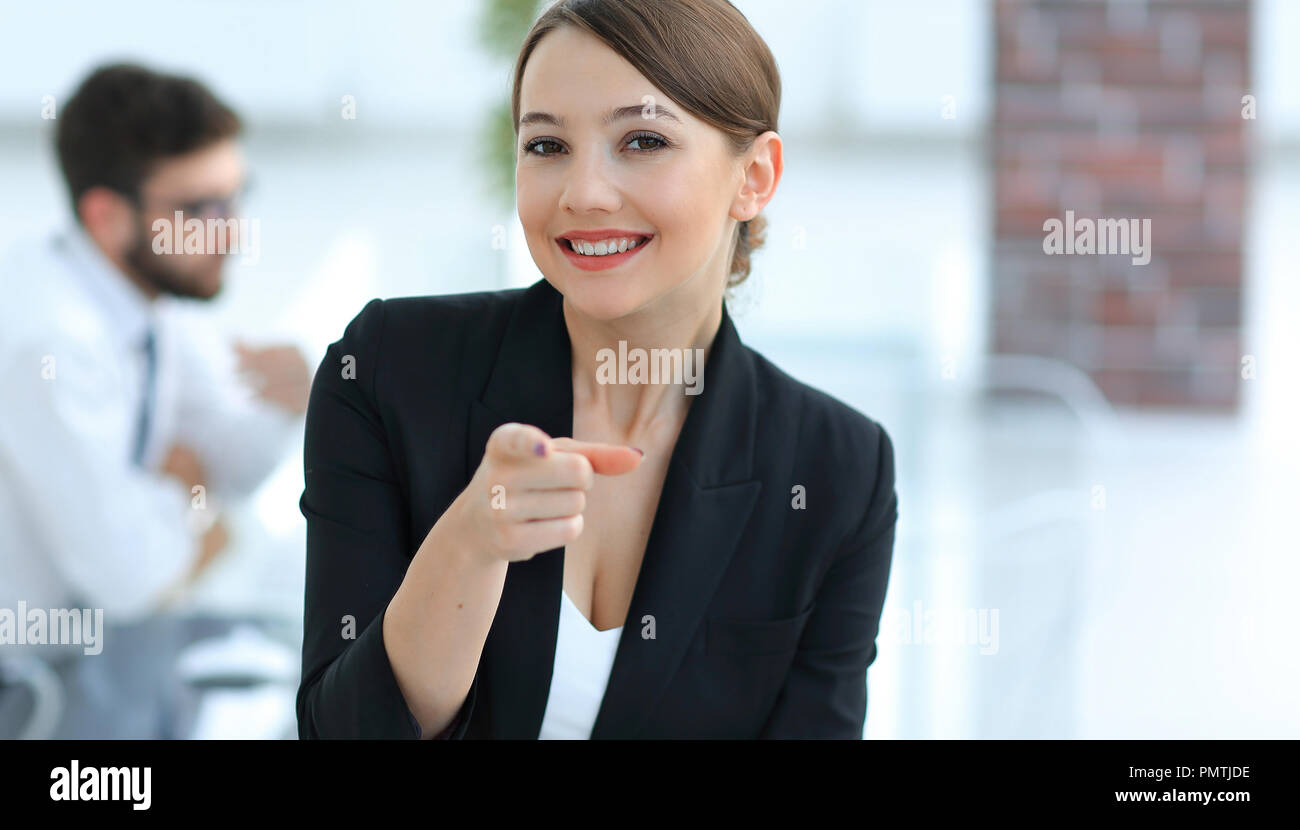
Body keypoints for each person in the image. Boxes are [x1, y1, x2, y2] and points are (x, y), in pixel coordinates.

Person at [298, 0, 898, 740]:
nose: (582, 193)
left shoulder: (839, 466)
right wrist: (471, 543)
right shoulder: (388, 371)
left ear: (755, 175)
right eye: (546, 146)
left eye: (642, 140)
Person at [0, 63, 311, 738]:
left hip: (80, 672)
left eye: (237, 197)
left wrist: (293, 400)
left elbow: (229, 459)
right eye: (201, 210)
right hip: (22, 686)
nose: (233, 233)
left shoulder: (155, 310)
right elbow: (128, 574)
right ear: (107, 217)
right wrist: (201, 522)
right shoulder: (47, 337)